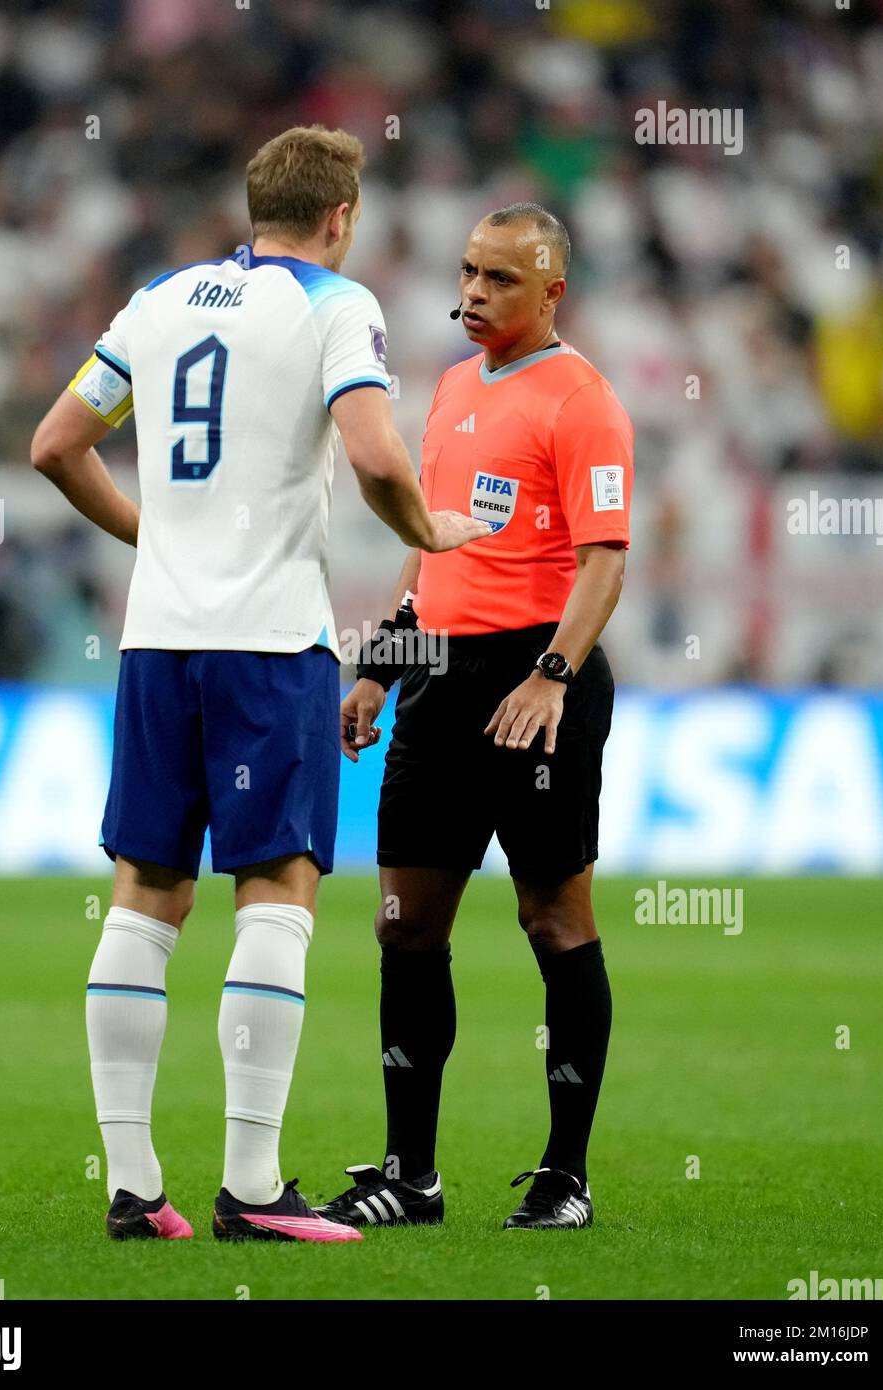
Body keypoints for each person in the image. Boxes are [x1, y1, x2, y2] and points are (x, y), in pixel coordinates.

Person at [30, 125, 487, 1244]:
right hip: (271, 644)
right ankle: (253, 1184)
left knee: (147, 893)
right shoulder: (338, 306)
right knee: (276, 891)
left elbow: (53, 445)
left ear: (253, 206)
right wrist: (428, 526)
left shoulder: (158, 298)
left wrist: (160, 540)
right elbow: (378, 455)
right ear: (341, 216)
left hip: (157, 644)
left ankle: (134, 1188)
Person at [317, 202, 633, 1232]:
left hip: (538, 679)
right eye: (466, 272)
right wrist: (380, 666)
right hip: (439, 679)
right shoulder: (452, 386)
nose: (472, 294)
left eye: (499, 279)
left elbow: (604, 559)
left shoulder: (583, 400)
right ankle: (411, 1174)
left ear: (551, 293)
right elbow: (430, 545)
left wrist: (549, 675)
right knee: (403, 924)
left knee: (553, 918)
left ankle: (565, 1175)